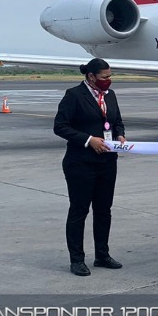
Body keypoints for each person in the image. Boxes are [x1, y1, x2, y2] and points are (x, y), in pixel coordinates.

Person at [53, 58, 127, 277]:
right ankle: (77, 259)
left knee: (104, 210)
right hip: (81, 162)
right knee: (79, 210)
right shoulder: (74, 95)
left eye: (110, 76)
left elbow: (117, 121)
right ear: (91, 76)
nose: (108, 81)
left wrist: (120, 134)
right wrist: (88, 140)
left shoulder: (110, 96)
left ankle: (102, 255)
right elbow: (60, 126)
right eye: (104, 77)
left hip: (107, 161)